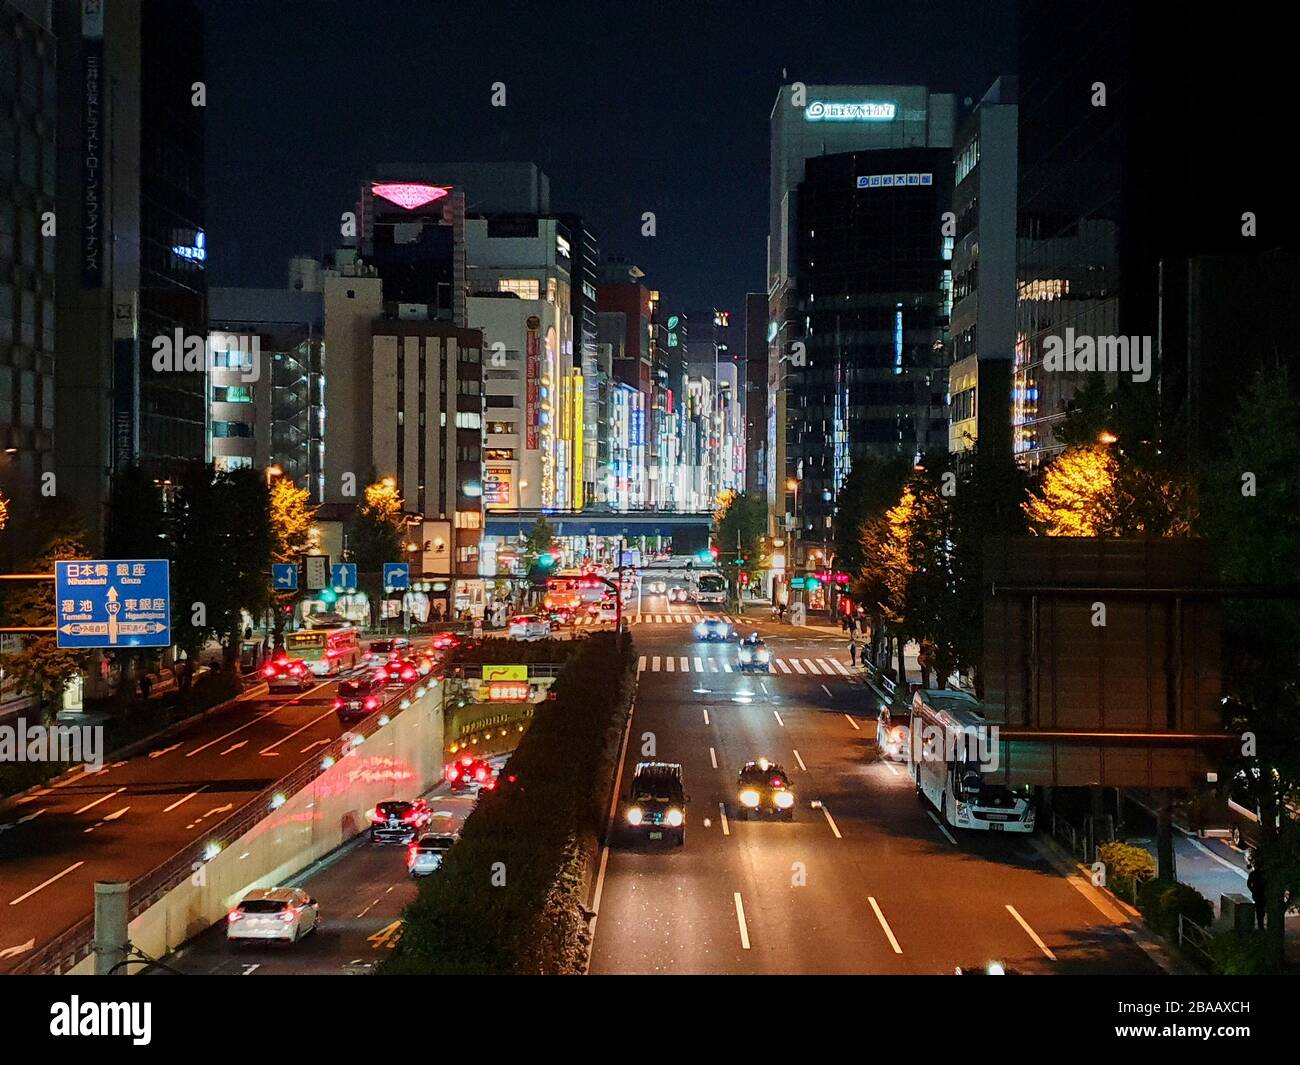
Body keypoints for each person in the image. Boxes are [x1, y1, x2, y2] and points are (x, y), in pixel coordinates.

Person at [1247, 866, 1266, 930]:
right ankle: (1261, 925)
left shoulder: (1253, 874)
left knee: (1259, 910)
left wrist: (1253, 890)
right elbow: (1249, 884)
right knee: (1261, 909)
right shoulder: (1263, 873)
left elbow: (1249, 884)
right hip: (1261, 894)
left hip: (1257, 894)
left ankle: (1260, 925)